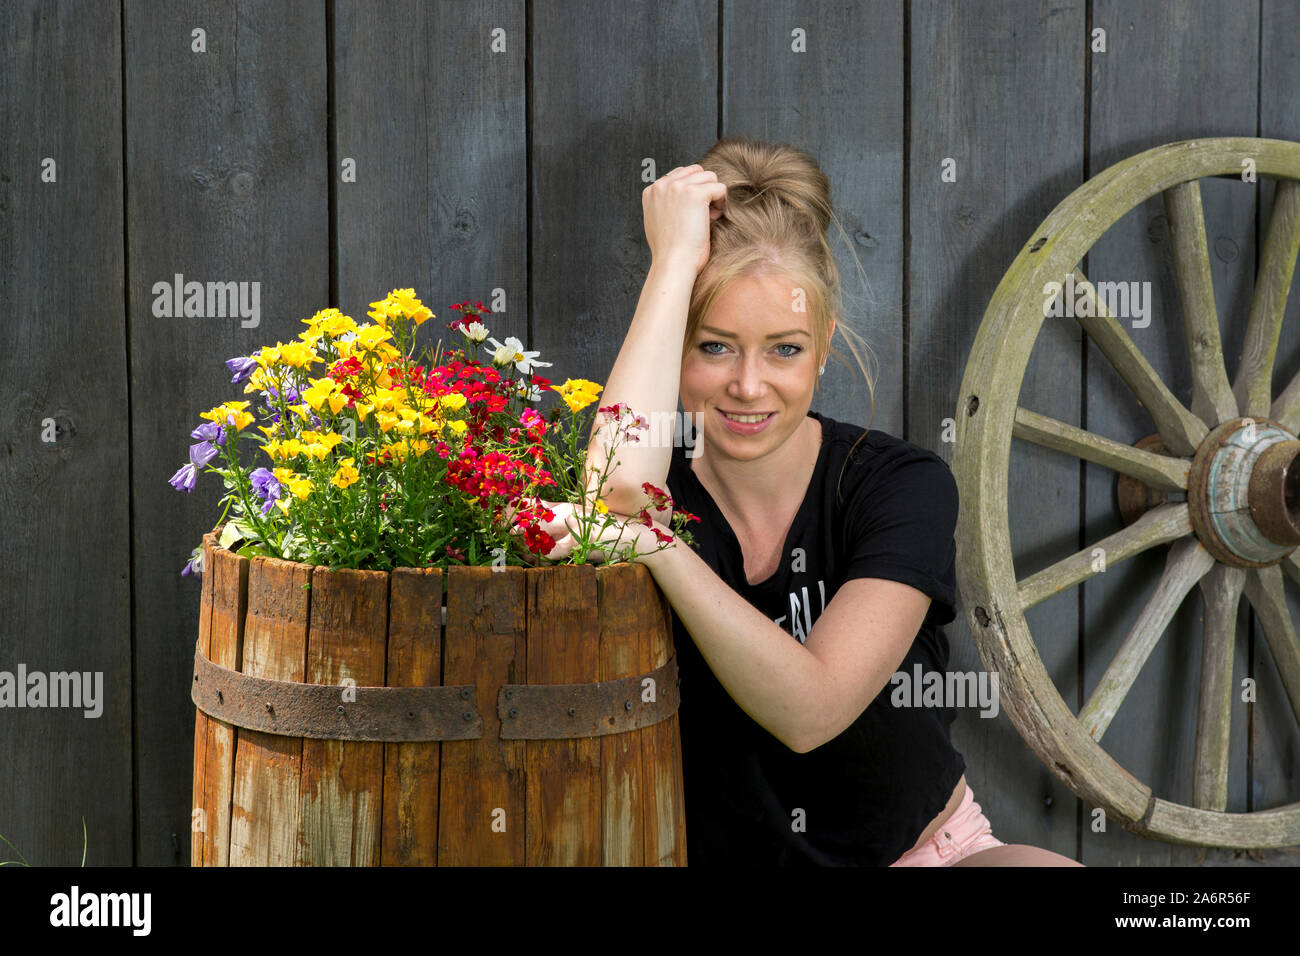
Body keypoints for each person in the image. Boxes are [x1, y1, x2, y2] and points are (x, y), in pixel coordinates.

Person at [531, 137, 1081, 867]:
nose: (749, 387)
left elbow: (811, 711)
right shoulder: (663, 491)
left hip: (932, 856)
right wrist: (671, 264)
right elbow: (619, 489)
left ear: (824, 343)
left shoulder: (895, 484)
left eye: (784, 350)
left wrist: (657, 549)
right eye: (714, 346)